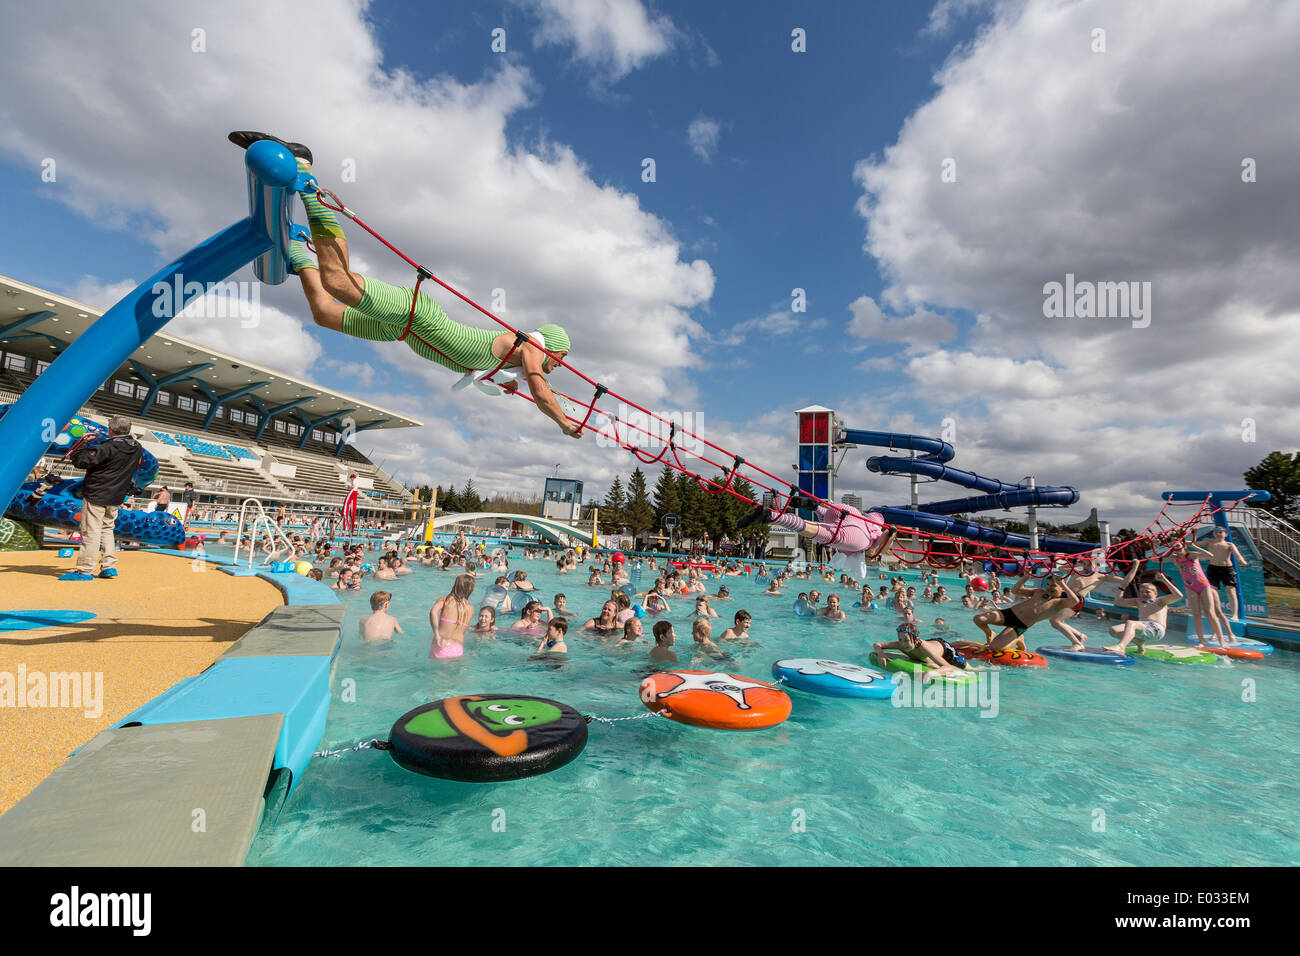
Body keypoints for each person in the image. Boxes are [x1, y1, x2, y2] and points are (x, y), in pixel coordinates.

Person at [228, 132, 580, 438]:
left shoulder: (519, 363)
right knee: (338, 282)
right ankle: (303, 170)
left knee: (323, 312)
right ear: (550, 345)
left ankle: (300, 249)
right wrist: (563, 423)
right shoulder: (532, 346)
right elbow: (540, 390)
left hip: (399, 332)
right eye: (561, 357)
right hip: (417, 314)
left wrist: (502, 380)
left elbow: (519, 378)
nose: (560, 365)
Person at [60, 416, 143, 581]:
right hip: (117, 495)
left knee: (91, 531)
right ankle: (109, 566)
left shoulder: (109, 446)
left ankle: (85, 570)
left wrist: (83, 444)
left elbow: (81, 461)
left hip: (97, 493)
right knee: (107, 529)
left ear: (111, 429)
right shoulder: (137, 447)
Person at [1050, 557, 1138, 649]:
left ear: (1098, 565)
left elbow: (1126, 581)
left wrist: (1135, 566)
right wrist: (1079, 564)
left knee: (1056, 621)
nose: (1086, 566)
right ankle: (1080, 636)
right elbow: (1061, 568)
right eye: (1084, 564)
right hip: (1065, 597)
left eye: (1089, 564)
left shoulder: (1101, 577)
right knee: (1055, 621)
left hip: (1076, 600)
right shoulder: (1077, 572)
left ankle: (1077, 643)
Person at [977, 574, 1080, 652]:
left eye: (1053, 585)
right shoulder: (1039, 591)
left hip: (1020, 624)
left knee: (995, 648)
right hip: (1008, 613)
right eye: (1048, 584)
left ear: (1062, 588)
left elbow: (1075, 601)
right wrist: (1026, 577)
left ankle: (1018, 638)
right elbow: (1015, 590)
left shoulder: (1059, 603)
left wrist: (1063, 584)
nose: (1049, 587)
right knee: (979, 619)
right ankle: (990, 634)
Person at [873, 608, 969, 680]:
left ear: (916, 640)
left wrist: (931, 673)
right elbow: (877, 644)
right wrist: (881, 654)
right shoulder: (901, 644)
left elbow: (949, 668)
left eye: (906, 640)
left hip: (946, 650)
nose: (902, 643)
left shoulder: (923, 647)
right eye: (900, 639)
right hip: (931, 644)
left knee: (969, 669)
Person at [1105, 573, 1183, 653]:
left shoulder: (1160, 601)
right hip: (1143, 627)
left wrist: (1164, 580)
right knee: (1114, 630)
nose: (1144, 594)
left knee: (1130, 623)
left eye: (1147, 592)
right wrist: (1122, 588)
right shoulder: (1138, 601)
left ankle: (1121, 646)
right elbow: (1118, 602)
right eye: (1141, 592)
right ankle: (1139, 643)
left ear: (1155, 594)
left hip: (1156, 629)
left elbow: (1179, 596)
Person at [1202, 527, 1249, 620]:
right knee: (1212, 591)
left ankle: (1234, 614)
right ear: (1213, 534)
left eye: (1220, 532)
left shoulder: (1229, 544)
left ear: (1226, 534)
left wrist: (1242, 561)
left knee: (1230, 591)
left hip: (1227, 569)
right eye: (1216, 532)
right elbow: (1193, 544)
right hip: (1213, 568)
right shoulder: (1209, 542)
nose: (1218, 533)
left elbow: (1237, 555)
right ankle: (1215, 612)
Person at [430, 573, 475, 659]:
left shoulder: (445, 600)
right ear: (471, 590)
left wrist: (437, 634)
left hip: (441, 645)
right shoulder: (470, 608)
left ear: (456, 585)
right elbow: (463, 631)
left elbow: (433, 612)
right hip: (457, 649)